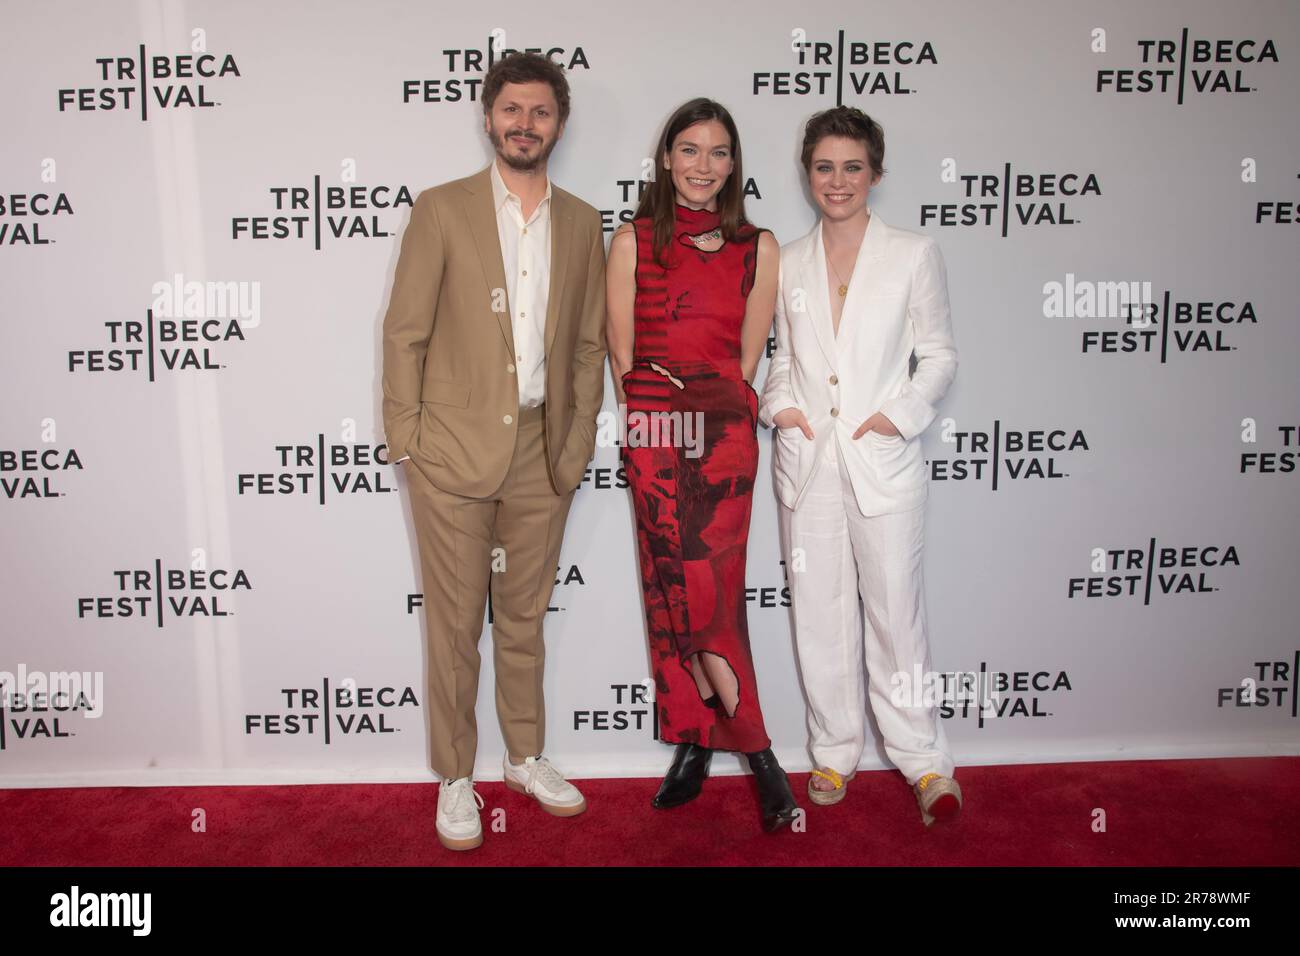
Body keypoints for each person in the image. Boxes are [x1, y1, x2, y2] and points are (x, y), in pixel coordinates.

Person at [381, 52, 607, 851]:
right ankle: (455, 776)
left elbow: (587, 347)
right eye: (511, 110)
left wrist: (574, 446)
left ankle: (525, 755)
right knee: (451, 628)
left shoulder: (582, 222)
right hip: (451, 458)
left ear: (558, 123)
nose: (524, 124)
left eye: (539, 112)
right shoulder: (441, 209)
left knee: (523, 621)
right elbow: (405, 331)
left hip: (543, 457)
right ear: (488, 117)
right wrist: (406, 441)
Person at [758, 106, 962, 827]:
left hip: (882, 462)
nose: (837, 181)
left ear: (875, 172)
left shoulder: (912, 253)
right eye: (823, 166)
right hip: (808, 461)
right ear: (806, 173)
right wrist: (781, 407)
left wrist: (896, 417)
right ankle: (832, 752)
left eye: (852, 167)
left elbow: (938, 355)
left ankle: (925, 759)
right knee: (818, 616)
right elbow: (776, 358)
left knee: (896, 617)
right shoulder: (783, 259)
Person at [606, 97, 799, 832]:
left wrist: (723, 405)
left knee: (712, 591)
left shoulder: (760, 245)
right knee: (666, 587)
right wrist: (649, 417)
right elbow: (622, 352)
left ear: (733, 165)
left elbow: (750, 355)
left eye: (718, 153)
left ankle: (754, 749)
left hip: (722, 429)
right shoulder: (631, 240)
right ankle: (693, 739)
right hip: (655, 422)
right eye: (689, 150)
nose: (702, 166)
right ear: (665, 159)